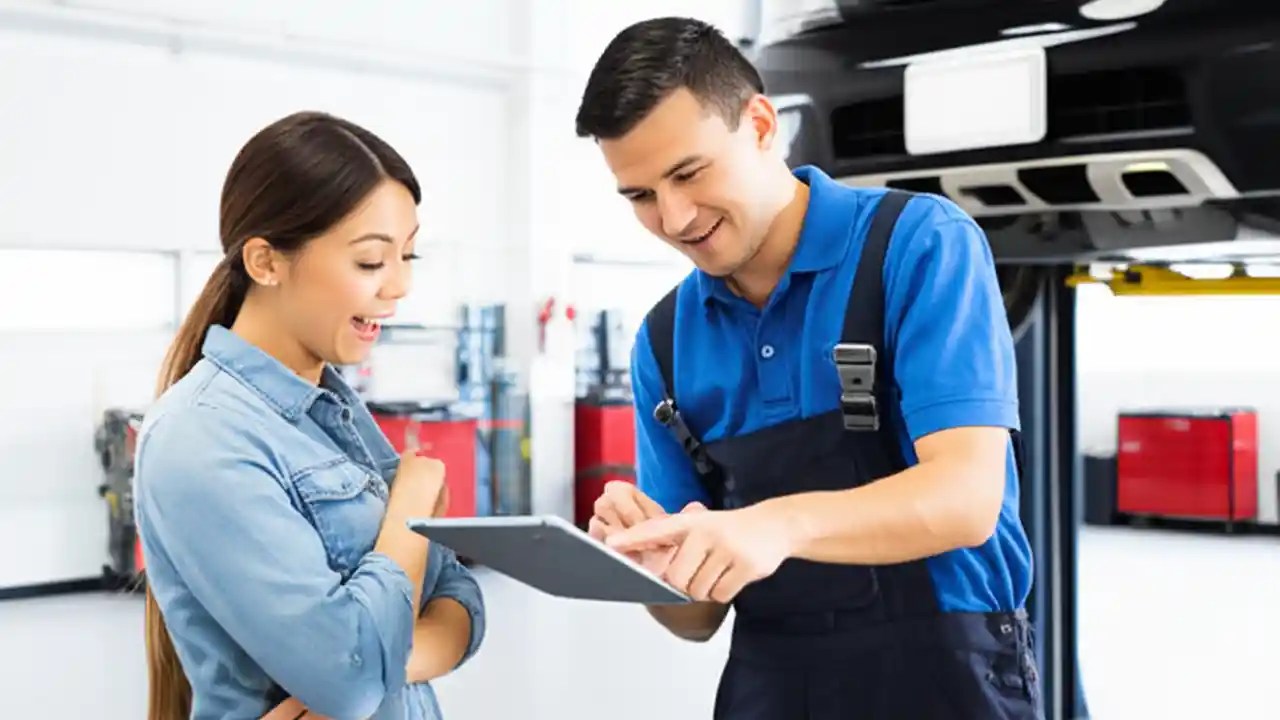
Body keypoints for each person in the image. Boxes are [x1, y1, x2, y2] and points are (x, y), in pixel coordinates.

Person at [576, 17, 1042, 720]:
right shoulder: (665, 341)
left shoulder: (916, 247)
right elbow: (697, 618)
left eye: (688, 172)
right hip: (773, 685)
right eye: (640, 195)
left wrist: (774, 527)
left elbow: (967, 499)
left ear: (760, 124)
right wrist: (645, 565)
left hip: (947, 678)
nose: (673, 217)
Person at [133, 111, 486, 720]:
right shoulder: (200, 436)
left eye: (408, 256)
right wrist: (412, 498)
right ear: (266, 262)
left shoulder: (332, 407)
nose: (399, 285)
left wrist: (375, 663)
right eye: (372, 261)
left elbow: (460, 601)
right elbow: (347, 682)